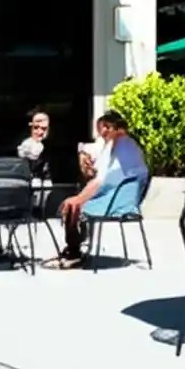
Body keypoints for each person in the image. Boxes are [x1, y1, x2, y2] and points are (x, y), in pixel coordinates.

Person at [47, 110, 148, 270]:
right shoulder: (118, 145)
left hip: (120, 201)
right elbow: (103, 173)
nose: (103, 132)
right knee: (75, 203)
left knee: (74, 205)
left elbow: (105, 180)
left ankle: (74, 252)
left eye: (106, 127)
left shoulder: (124, 146)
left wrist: (81, 197)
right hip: (116, 194)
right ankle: (74, 250)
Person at [17, 108, 51, 177]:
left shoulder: (51, 145)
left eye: (44, 129)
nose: (40, 132)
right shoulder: (26, 145)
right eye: (36, 128)